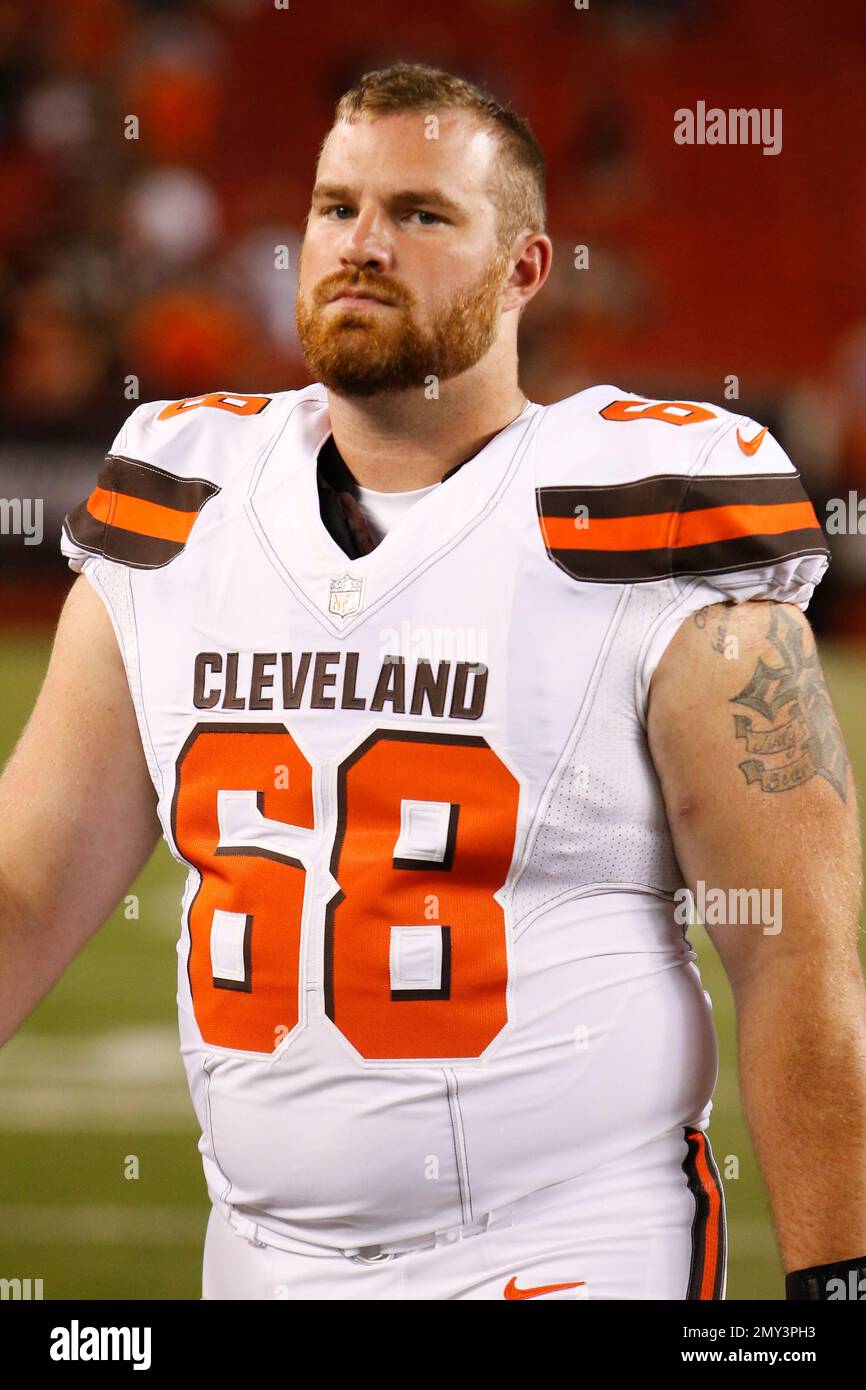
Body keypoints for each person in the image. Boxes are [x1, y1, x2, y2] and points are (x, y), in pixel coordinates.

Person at [2, 62, 864, 1301]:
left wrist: (836, 1287)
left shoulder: (644, 518)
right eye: (333, 206)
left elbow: (793, 956)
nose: (360, 245)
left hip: (564, 1250)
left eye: (419, 213)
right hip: (256, 1259)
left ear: (524, 269)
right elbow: (25, 885)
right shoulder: (183, 500)